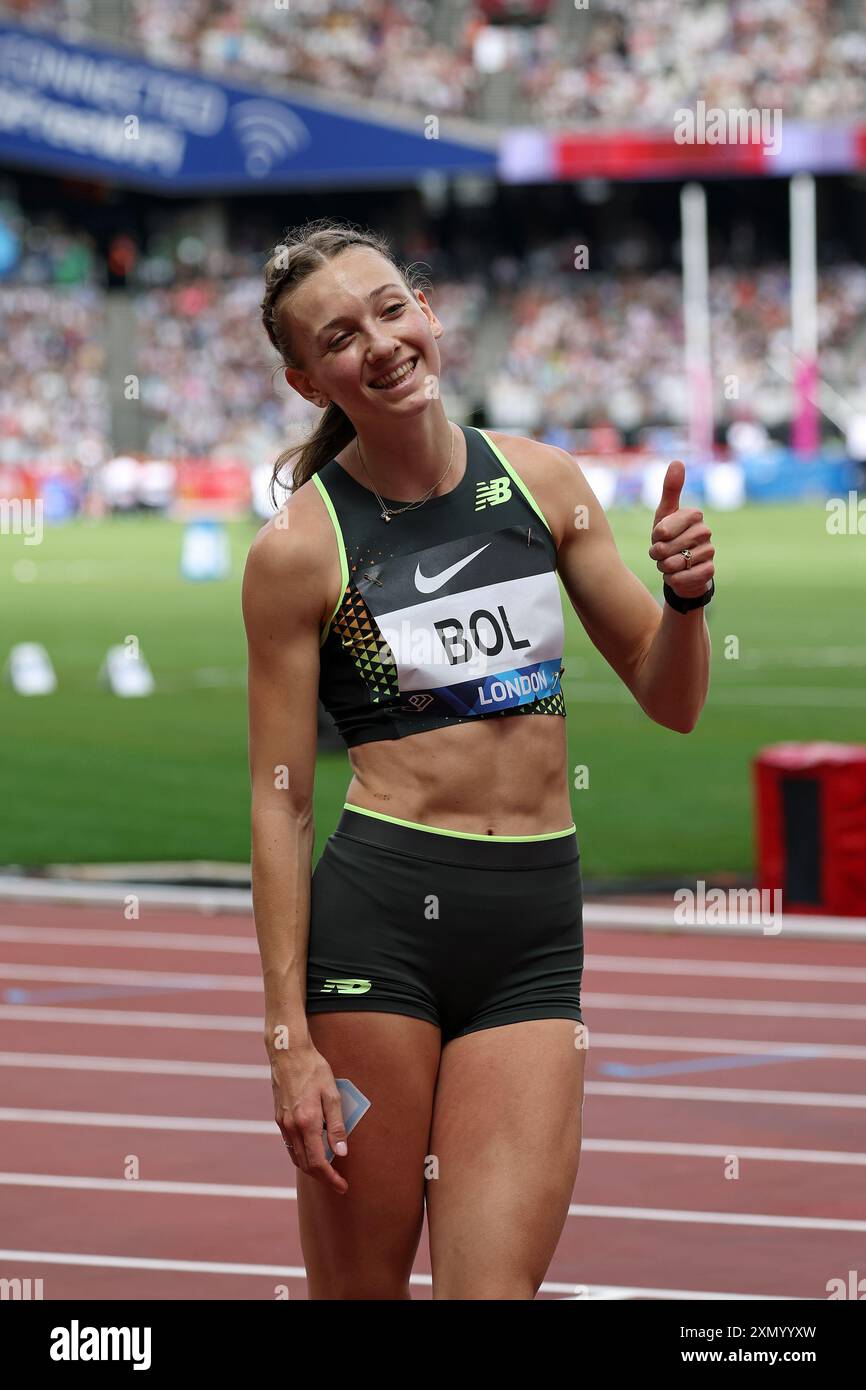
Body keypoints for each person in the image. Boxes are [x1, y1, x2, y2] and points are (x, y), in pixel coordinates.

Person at [243, 219, 715, 1301]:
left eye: (390, 310)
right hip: (377, 936)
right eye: (340, 337)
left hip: (532, 934)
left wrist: (687, 600)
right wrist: (285, 1040)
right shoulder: (300, 549)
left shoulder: (543, 483)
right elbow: (280, 805)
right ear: (307, 380)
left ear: (428, 312)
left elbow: (671, 696)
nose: (380, 344)